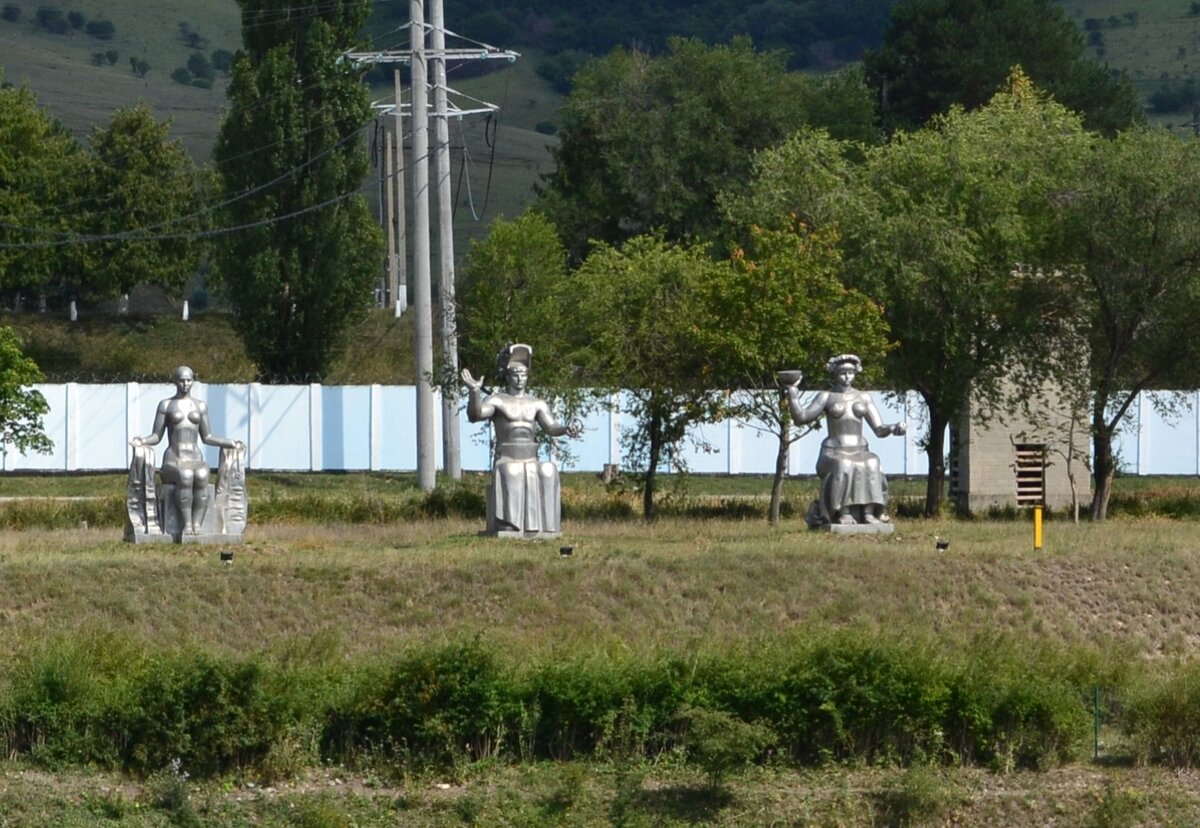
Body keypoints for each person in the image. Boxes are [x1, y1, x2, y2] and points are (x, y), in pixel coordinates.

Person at [462, 344, 581, 536]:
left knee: (549, 470)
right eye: (516, 374)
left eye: (523, 375)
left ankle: (549, 527)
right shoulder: (497, 400)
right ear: (508, 376)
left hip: (530, 456)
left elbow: (551, 427)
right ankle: (510, 526)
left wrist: (566, 429)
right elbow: (476, 415)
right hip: (507, 457)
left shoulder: (537, 403)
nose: (520, 379)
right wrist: (475, 392)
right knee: (513, 470)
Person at [786, 354, 906, 526]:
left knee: (873, 462)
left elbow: (879, 429)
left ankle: (869, 513)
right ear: (835, 373)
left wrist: (894, 427)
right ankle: (843, 511)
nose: (847, 376)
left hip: (859, 450)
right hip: (833, 451)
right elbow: (801, 417)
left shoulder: (863, 397)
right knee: (844, 465)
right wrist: (793, 395)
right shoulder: (826, 396)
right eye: (843, 372)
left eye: (851, 372)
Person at [131, 366, 244, 535]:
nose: (185, 384)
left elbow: (208, 436)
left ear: (193, 380)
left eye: (189, 380)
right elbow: (156, 435)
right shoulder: (166, 405)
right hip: (173, 459)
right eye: (182, 380)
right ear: (175, 381)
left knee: (202, 475)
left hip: (195, 458)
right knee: (186, 475)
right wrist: (142, 441)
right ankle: (187, 524)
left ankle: (198, 525)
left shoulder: (200, 406)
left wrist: (230, 442)